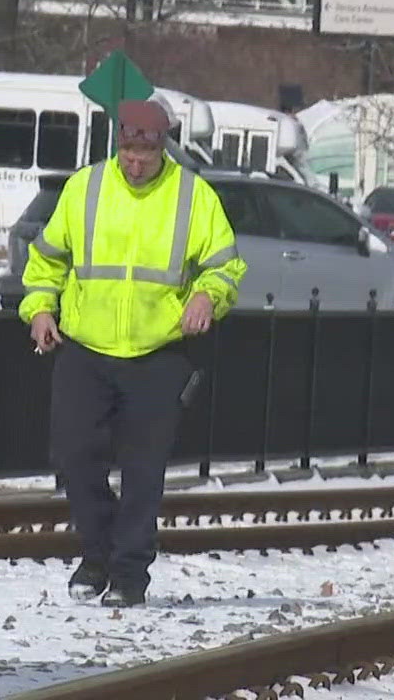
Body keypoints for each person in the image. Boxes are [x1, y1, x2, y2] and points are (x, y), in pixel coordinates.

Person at [19, 99, 248, 607]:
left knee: (144, 471)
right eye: (127, 152)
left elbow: (225, 267)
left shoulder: (193, 196)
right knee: (75, 456)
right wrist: (38, 309)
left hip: (158, 353)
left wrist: (208, 297)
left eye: (144, 154)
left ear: (163, 146)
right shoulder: (85, 188)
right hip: (85, 348)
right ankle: (97, 553)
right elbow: (45, 261)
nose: (135, 163)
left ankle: (127, 574)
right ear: (117, 144)